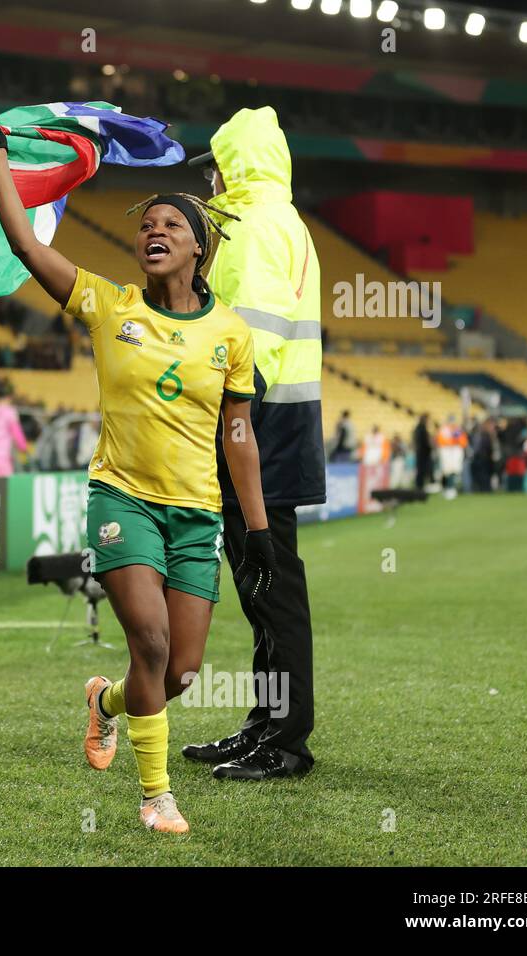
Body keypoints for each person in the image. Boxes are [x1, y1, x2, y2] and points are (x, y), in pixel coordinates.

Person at [0, 114, 277, 833]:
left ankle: (105, 702)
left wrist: (259, 530)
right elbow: (23, 243)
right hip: (124, 500)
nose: (155, 231)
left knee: (177, 675)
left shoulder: (231, 333)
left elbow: (237, 433)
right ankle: (156, 795)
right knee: (150, 643)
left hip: (197, 514)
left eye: (172, 223)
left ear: (198, 249)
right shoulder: (108, 305)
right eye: (148, 224)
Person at [184, 106, 324, 781]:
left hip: (254, 430)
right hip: (281, 426)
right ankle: (267, 725)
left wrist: (221, 416)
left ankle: (287, 739)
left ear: (231, 166)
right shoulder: (289, 223)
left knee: (272, 590)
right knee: (267, 589)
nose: (208, 183)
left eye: (213, 168)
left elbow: (243, 342)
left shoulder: (244, 229)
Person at [413, 413, 434, 490]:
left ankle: (420, 486)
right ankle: (420, 487)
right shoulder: (421, 429)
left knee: (421, 471)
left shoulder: (418, 428)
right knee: (422, 471)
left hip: (421, 453)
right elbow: (425, 443)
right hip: (423, 454)